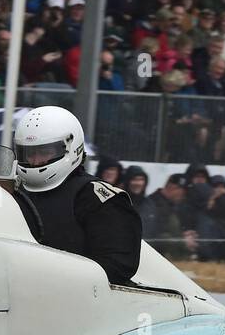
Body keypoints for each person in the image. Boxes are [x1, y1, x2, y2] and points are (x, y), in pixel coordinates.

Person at [12, 106, 142, 285]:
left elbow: (117, 266)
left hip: (79, 301)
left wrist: (55, 278)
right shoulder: (12, 194)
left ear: (71, 148)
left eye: (44, 152)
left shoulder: (98, 199)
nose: (36, 161)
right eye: (29, 153)